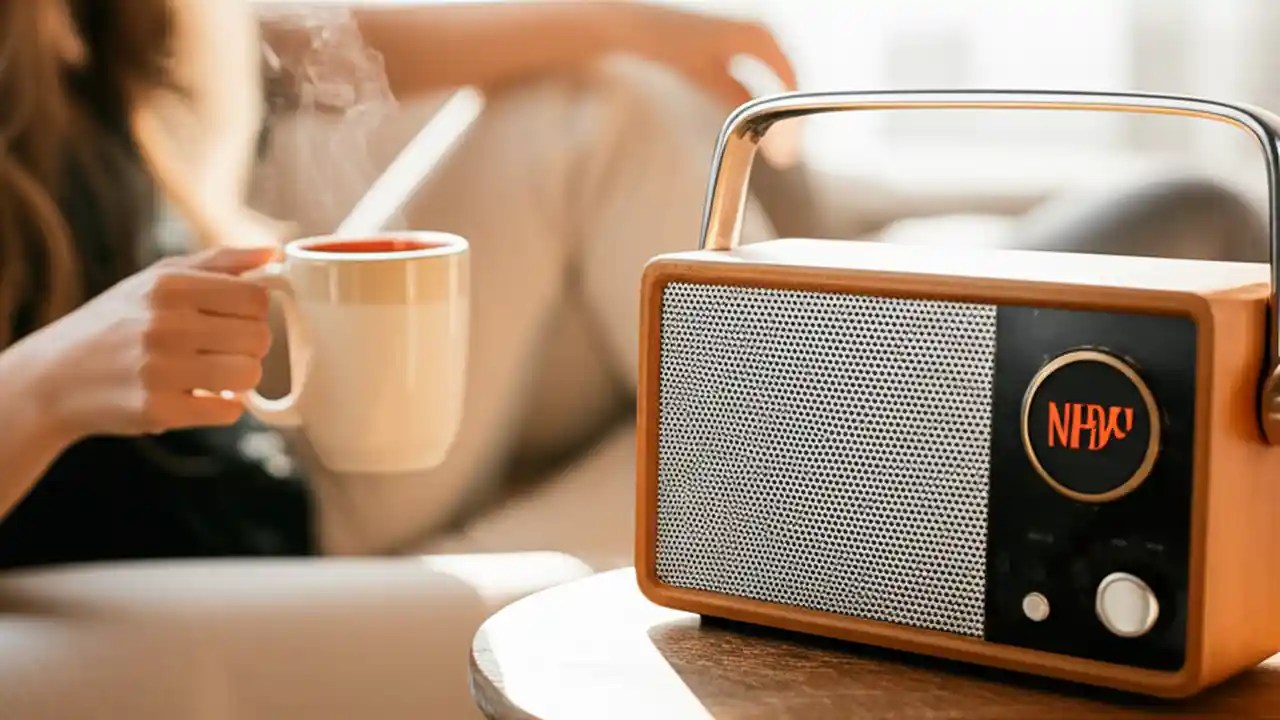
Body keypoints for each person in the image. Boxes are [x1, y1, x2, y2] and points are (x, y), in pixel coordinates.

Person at [0, 0, 1265, 569]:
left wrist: (624, 18)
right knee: (1186, 224)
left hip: (340, 454)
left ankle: (882, 408)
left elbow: (306, 47)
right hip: (269, 527)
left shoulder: (100, 39)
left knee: (606, 106)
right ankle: (906, 411)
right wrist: (46, 380)